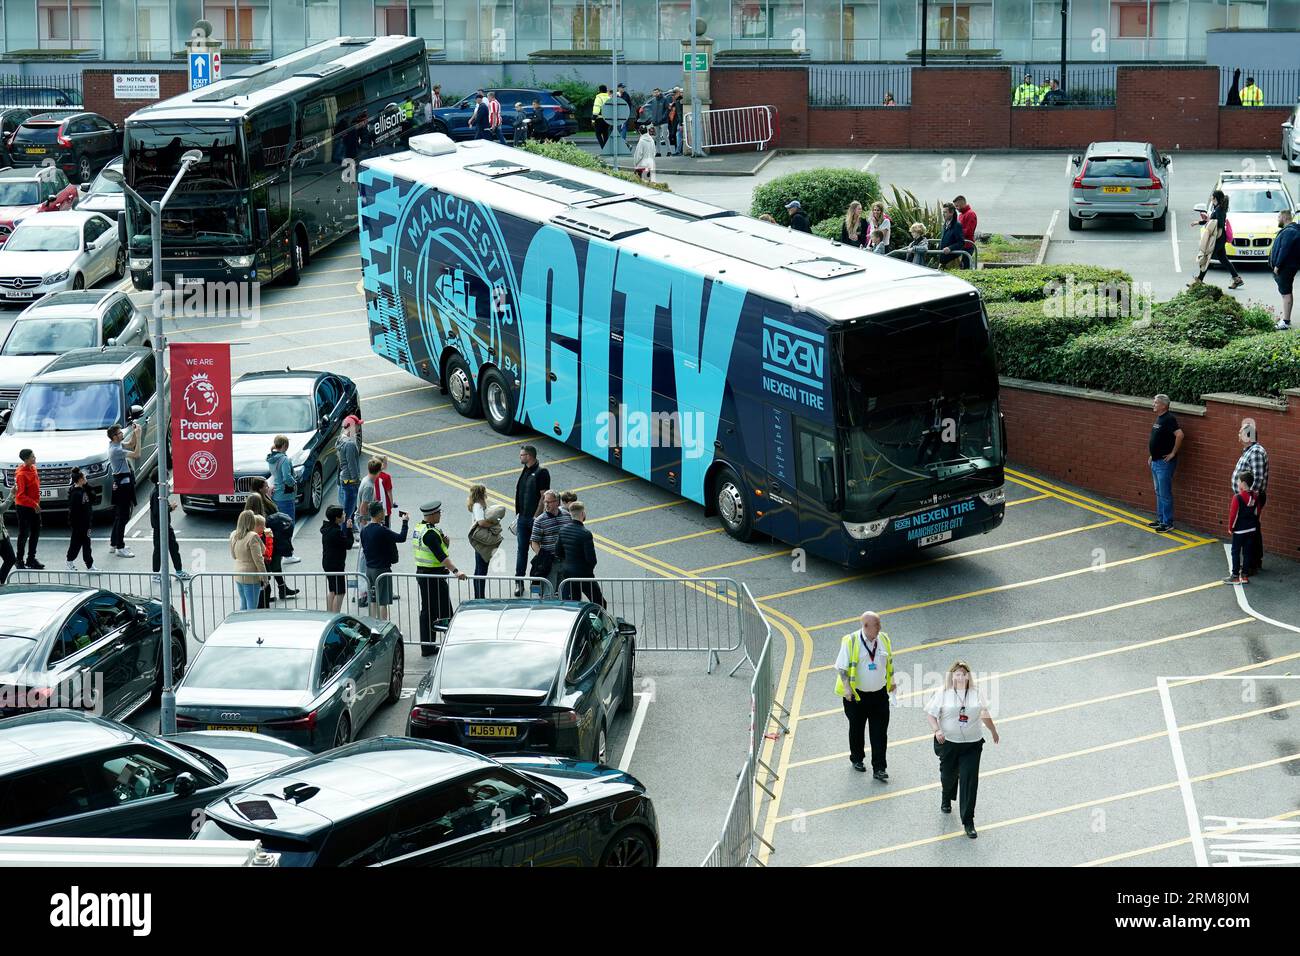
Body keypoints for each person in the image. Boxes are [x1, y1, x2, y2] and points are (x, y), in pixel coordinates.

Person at [925, 661, 1000, 839]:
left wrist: (993, 730)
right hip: (949, 743)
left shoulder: (976, 693)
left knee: (969, 780)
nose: (961, 677)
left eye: (964, 674)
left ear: (968, 677)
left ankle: (968, 821)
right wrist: (937, 730)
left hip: (972, 745)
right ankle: (946, 796)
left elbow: (985, 714)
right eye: (957, 674)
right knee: (948, 775)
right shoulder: (943, 693)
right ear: (952, 676)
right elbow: (931, 714)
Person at [835, 611, 894, 781]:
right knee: (857, 729)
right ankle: (857, 758)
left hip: (880, 695)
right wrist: (847, 689)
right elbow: (842, 668)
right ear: (866, 626)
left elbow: (888, 661)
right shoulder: (852, 641)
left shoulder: (884, 639)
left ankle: (879, 768)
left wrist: (892, 680)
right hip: (857, 697)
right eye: (877, 625)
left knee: (880, 733)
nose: (880, 628)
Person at [412, 501, 466, 653]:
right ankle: (451, 645)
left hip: (426, 575)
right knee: (444, 611)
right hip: (433, 577)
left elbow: (436, 552)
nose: (440, 515)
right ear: (432, 515)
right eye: (438, 513)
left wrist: (446, 544)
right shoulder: (430, 533)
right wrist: (456, 571)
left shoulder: (421, 528)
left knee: (429, 611)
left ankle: (428, 646)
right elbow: (441, 557)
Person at [1231, 419, 1268, 574]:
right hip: (1248, 499)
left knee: (1250, 531)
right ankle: (1254, 561)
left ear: (1248, 436)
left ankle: (1252, 564)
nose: (1238, 435)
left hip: (1251, 500)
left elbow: (1257, 480)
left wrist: (1248, 501)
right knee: (1253, 529)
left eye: (1240, 432)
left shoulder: (1256, 452)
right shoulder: (1249, 450)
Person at [360, 502, 408, 620]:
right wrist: (405, 522)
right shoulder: (382, 530)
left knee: (373, 599)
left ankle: (372, 624)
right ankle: (383, 626)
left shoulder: (364, 531)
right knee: (383, 601)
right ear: (380, 513)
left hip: (369, 569)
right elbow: (401, 537)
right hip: (382, 570)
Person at [513, 444, 550, 594]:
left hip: (534, 519)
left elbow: (544, 496)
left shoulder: (541, 472)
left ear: (529, 456)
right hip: (522, 518)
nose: (520, 457)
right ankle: (519, 582)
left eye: (522, 455)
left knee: (538, 551)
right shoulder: (526, 470)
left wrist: (536, 517)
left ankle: (539, 581)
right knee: (521, 551)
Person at [1191, 189, 1243, 290]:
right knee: (1223, 259)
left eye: (1212, 196)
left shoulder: (1219, 209)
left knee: (1207, 256)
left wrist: (1209, 219)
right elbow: (1212, 222)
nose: (1211, 198)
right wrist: (1200, 222)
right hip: (1219, 237)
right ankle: (1237, 279)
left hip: (1218, 238)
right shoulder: (1217, 208)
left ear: (1215, 198)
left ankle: (1199, 280)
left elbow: (1218, 224)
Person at [1147, 393, 1184, 533]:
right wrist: (1152, 455)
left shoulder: (1169, 419)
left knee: (1165, 493)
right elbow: (1159, 439)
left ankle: (1168, 523)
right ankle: (1161, 519)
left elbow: (1180, 435)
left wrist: (1173, 453)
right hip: (1156, 461)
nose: (1153, 404)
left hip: (1164, 464)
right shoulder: (1159, 418)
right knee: (1158, 492)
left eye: (1155, 402)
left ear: (1163, 405)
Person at [555, 501, 602, 605]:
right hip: (584, 575)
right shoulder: (585, 534)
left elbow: (558, 552)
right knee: (599, 602)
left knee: (573, 604)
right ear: (582, 514)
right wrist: (588, 571)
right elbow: (591, 559)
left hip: (567, 574)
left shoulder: (563, 530)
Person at [106, 424, 139, 558]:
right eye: (119, 433)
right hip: (123, 485)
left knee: (119, 516)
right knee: (123, 517)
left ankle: (114, 543)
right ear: (114, 437)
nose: (121, 434)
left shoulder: (116, 445)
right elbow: (137, 454)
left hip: (120, 483)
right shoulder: (116, 450)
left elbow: (131, 444)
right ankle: (120, 547)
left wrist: (135, 433)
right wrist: (140, 435)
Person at [530, 490, 572, 593]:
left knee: (565, 593)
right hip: (550, 563)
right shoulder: (540, 520)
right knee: (549, 593)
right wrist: (543, 557)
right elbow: (534, 542)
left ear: (557, 502)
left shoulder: (567, 516)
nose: (546, 504)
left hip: (565, 561)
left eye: (549, 502)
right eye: (545, 502)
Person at [467, 484, 504, 598]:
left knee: (480, 569)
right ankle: (480, 596)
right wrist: (492, 524)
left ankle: (479, 595)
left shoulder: (478, 504)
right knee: (481, 570)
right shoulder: (478, 505)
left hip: (481, 539)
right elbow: (481, 522)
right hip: (481, 539)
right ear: (481, 493)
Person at [1225, 472, 1260, 585]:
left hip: (1240, 530)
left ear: (1243, 484)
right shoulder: (1255, 495)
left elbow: (1233, 514)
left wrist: (1231, 527)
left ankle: (1235, 576)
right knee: (1247, 552)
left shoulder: (1237, 497)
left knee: (1235, 552)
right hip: (1251, 529)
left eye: (1239, 481)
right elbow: (1257, 512)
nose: (1237, 483)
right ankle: (1244, 576)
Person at [229, 510, 266, 611]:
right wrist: (264, 576)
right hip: (251, 576)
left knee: (243, 603)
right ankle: (250, 625)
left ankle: (241, 625)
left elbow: (233, 555)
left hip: (238, 573)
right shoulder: (253, 536)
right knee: (252, 606)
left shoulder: (234, 534)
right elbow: (259, 559)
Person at [321, 505, 353, 614]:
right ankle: (335, 616)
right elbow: (348, 544)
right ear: (337, 518)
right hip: (336, 565)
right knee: (340, 592)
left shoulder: (326, 528)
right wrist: (349, 529)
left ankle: (329, 614)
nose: (344, 515)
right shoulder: (335, 532)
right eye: (343, 514)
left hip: (327, 563)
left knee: (332, 590)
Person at [1271, 209, 1299, 330]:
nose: (1278, 219)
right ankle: (1286, 318)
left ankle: (1286, 321)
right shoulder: (1292, 230)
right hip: (1288, 266)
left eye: (1279, 217)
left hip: (1286, 267)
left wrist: (1277, 265)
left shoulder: (1289, 232)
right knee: (1286, 292)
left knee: (1286, 293)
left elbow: (1284, 249)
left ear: (1284, 217)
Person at [14, 449, 41, 570]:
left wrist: (36, 503)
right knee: (24, 534)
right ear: (26, 460)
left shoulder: (33, 469)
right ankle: (19, 560)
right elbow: (20, 495)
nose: (35, 458)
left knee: (35, 532)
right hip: (24, 507)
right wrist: (34, 504)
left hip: (33, 505)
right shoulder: (21, 474)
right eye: (32, 457)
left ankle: (31, 559)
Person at [265, 503, 298, 602]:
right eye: (265, 486)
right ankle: (266, 594)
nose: (269, 487)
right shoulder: (260, 500)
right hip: (268, 539)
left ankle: (282, 588)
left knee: (276, 565)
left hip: (272, 538)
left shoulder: (264, 499)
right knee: (268, 568)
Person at [150, 484, 184, 578]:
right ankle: (157, 574)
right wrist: (170, 508)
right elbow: (158, 511)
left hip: (163, 526)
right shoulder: (156, 493)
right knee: (161, 550)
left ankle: (178, 571)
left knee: (172, 548)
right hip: (160, 526)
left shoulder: (157, 491)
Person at [65, 467, 95, 572]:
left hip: (86, 523)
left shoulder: (84, 490)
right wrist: (74, 524)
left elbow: (93, 497)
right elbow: (73, 511)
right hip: (79, 525)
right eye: (84, 478)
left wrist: (87, 485)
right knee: (76, 544)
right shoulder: (75, 494)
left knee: (87, 544)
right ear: (80, 479)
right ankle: (70, 562)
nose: (86, 479)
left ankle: (89, 565)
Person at [337, 414, 363, 525]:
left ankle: (349, 530)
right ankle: (345, 534)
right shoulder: (350, 444)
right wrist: (357, 480)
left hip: (344, 479)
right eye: (357, 426)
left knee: (348, 509)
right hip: (351, 482)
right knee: (348, 512)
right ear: (352, 426)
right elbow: (352, 465)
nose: (358, 429)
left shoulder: (340, 440)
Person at [266, 435, 296, 521]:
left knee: (279, 522)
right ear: (284, 445)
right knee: (289, 522)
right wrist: (294, 482)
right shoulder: (284, 459)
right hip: (286, 495)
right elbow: (287, 477)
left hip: (276, 494)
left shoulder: (271, 458)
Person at [938, 202, 966, 268]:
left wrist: (950, 248)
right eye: (943, 212)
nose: (943, 214)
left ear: (951, 212)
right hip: (943, 259)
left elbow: (961, 242)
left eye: (945, 212)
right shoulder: (945, 224)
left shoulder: (956, 225)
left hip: (952, 260)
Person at [0, 487, 16, 584]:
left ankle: (0, 580)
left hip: (3, 535)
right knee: (10, 559)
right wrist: (12, 494)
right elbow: (2, 508)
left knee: (10, 559)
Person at [376, 455, 396, 527]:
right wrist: (391, 504)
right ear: (381, 464)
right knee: (386, 526)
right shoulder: (386, 477)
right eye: (386, 463)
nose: (387, 464)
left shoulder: (372, 475)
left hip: (375, 506)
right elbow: (389, 492)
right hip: (385, 506)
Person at [592, 85, 611, 149]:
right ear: (606, 90)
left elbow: (596, 109)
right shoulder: (609, 98)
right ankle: (606, 148)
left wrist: (593, 119)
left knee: (598, 134)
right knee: (605, 134)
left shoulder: (599, 98)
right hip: (607, 119)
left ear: (599, 90)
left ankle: (603, 147)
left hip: (599, 119)